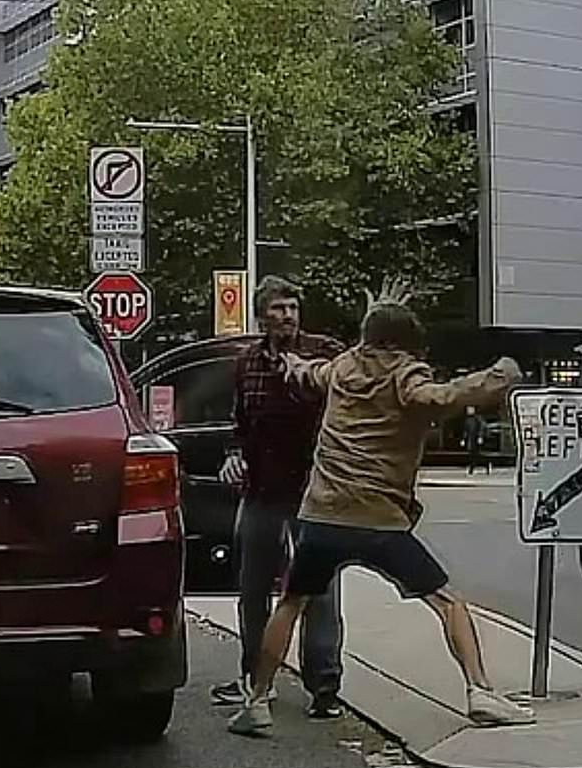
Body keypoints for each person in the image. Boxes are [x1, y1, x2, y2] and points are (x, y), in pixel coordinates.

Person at [229, 283, 532, 737]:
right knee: (448, 602)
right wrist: (502, 374)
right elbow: (448, 396)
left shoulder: (341, 367)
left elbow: (306, 372)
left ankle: (257, 699)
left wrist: (291, 364)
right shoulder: (407, 376)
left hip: (323, 514)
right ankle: (480, 692)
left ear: (369, 338)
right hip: (379, 520)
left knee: (291, 602)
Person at [216, 275, 348, 719]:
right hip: (261, 488)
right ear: (261, 315)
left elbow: (346, 409)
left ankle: (324, 686)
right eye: (278, 308)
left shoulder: (324, 353)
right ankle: (256, 677)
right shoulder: (247, 362)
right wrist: (233, 455)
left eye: (292, 307)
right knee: (253, 587)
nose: (287, 315)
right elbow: (239, 421)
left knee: (319, 589)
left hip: (315, 488)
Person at [462, 407, 486, 475]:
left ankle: (473, 468)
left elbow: (482, 427)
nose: (468, 411)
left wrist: (480, 436)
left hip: (476, 438)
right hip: (470, 439)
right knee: (472, 454)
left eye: (470, 410)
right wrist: (463, 439)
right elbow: (465, 430)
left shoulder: (477, 418)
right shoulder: (467, 420)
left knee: (476, 454)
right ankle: (472, 467)